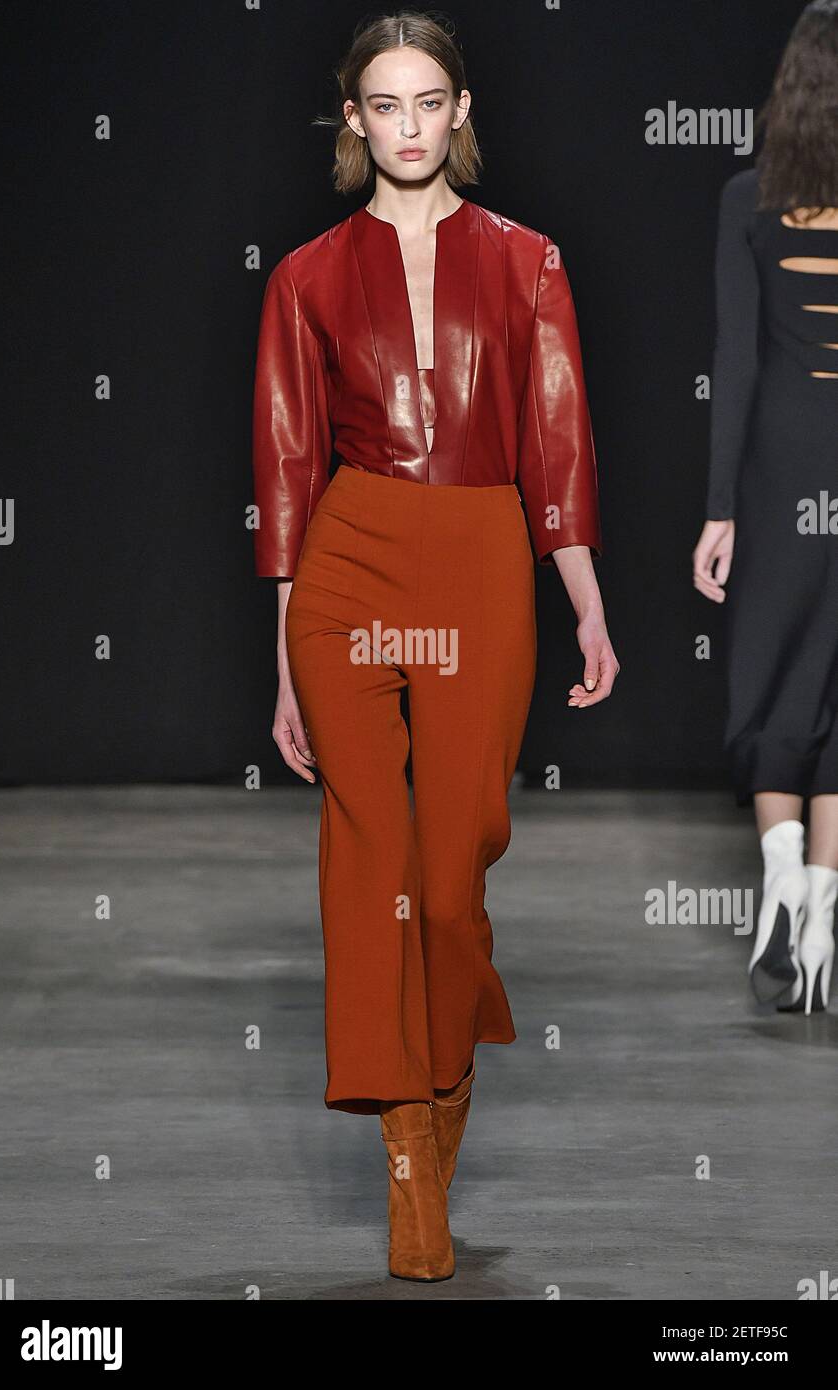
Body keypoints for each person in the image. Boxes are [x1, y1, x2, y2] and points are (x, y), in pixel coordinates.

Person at [251, 9, 618, 1282]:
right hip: (348, 564)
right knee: (370, 858)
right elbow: (289, 471)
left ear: (460, 113)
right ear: (355, 122)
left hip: (477, 558)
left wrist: (585, 599)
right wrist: (282, 652)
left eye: (428, 102)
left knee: (453, 874)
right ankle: (410, 1160)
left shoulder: (529, 264)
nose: (408, 126)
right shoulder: (303, 275)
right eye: (383, 106)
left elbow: (556, 445)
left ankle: (447, 1082)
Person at [694, 0, 838, 1016]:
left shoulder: (748, 198)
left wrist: (717, 509)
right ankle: (825, 913)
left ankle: (781, 877)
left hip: (782, 463)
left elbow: (735, 366)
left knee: (776, 665)